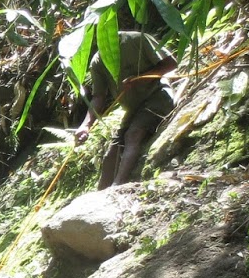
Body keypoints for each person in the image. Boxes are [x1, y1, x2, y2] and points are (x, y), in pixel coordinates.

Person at [74, 30, 176, 190]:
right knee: (111, 153)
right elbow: (98, 96)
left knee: (133, 135)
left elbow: (171, 63)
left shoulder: (136, 39)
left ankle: (117, 187)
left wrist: (141, 77)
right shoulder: (98, 61)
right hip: (134, 108)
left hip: (158, 95)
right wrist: (86, 125)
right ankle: (101, 195)